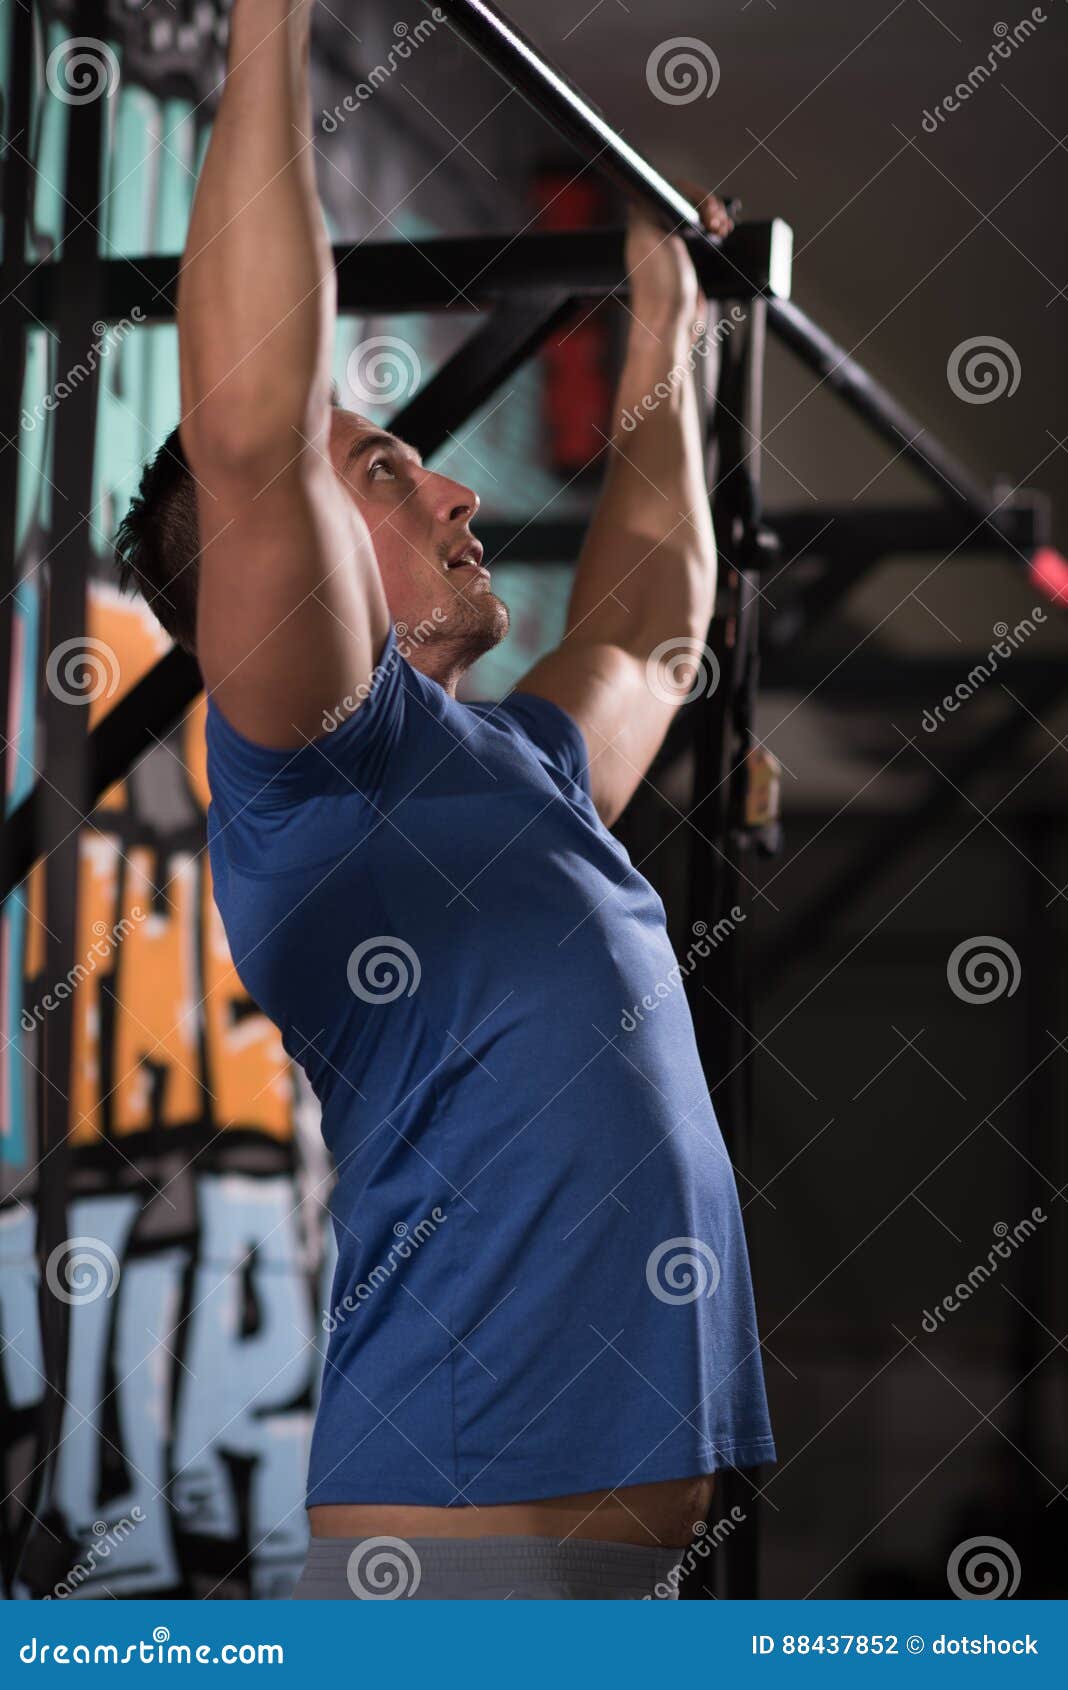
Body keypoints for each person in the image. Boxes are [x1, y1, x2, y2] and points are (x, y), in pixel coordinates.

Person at [115, 0, 775, 1601]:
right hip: (467, 1546)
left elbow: (657, 630)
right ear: (289, 570)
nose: (457, 487)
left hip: (617, 1558)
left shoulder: (521, 770)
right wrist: (273, 23)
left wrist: (666, 318)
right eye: (392, 469)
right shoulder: (316, 765)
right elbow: (257, 439)